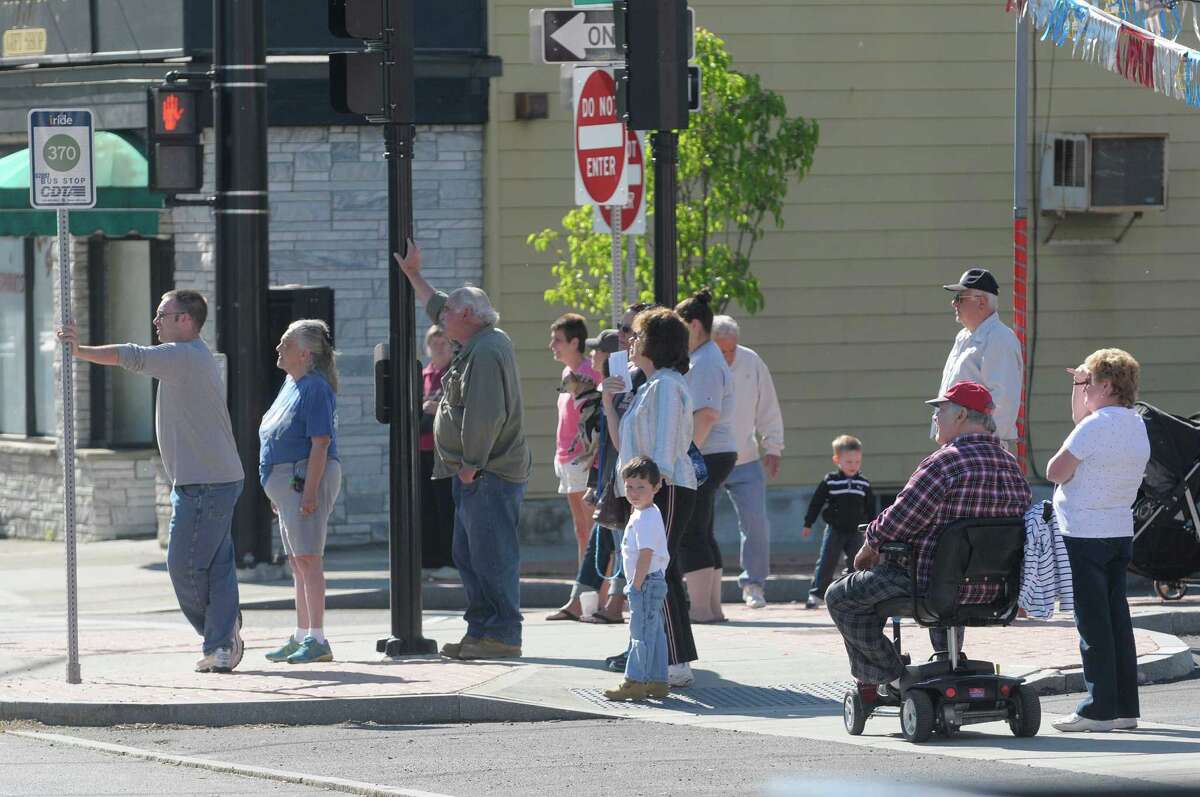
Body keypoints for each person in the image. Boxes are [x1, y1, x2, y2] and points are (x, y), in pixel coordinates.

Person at [56, 290, 245, 673]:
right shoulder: (186, 356)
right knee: (216, 564)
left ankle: (220, 638)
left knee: (184, 566)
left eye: (163, 315)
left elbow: (130, 354)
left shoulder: (184, 355)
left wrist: (79, 351)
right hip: (210, 479)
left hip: (206, 483)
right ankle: (224, 635)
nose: (156, 322)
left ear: (186, 321)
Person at [825, 381, 1031, 697]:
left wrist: (870, 544)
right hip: (995, 589)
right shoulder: (1011, 466)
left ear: (961, 415)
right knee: (950, 565)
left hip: (932, 585)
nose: (935, 419)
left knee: (841, 596)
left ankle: (891, 677)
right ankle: (948, 660)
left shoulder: (945, 462)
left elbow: (901, 518)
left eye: (940, 411)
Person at [394, 241, 532, 660]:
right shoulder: (476, 339)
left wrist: (471, 464)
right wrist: (415, 275)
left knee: (490, 556)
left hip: (487, 473)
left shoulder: (487, 350)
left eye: (450, 313)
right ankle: (482, 630)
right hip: (475, 473)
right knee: (469, 554)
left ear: (469, 316)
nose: (441, 320)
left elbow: (485, 415)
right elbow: (437, 305)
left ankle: (501, 634)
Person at [1047, 349, 1150, 733]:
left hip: (1085, 533)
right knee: (1117, 622)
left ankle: (1098, 710)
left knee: (1093, 625)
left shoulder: (1095, 427)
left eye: (1088, 382)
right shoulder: (1135, 424)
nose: (1084, 389)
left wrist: (1071, 474)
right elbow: (1082, 421)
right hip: (1119, 530)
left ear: (1106, 385)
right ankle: (1124, 709)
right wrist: (1078, 384)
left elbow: (1055, 471)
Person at [600, 306, 699, 687]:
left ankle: (675, 662)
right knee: (660, 570)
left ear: (655, 343)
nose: (630, 341)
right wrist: (610, 404)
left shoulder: (668, 386)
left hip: (665, 488)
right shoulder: (651, 385)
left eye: (637, 335)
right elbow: (623, 444)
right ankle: (669, 659)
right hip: (652, 489)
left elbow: (663, 446)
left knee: (659, 570)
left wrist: (649, 492)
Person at [259, 320, 343, 664]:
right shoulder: (290, 384)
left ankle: (318, 638)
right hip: (288, 487)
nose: (278, 349)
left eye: (285, 344)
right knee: (297, 562)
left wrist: (308, 493)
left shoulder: (315, 388)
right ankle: (301, 634)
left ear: (305, 353)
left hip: (304, 479)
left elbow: (320, 443)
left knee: (309, 559)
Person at [710, 315, 784, 610]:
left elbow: (767, 405)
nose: (728, 356)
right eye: (722, 350)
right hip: (709, 457)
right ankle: (702, 585)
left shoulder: (751, 361)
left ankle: (754, 583)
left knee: (756, 524)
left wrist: (773, 446)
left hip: (746, 457)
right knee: (699, 524)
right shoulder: (700, 362)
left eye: (731, 349)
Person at [675, 290, 738, 624]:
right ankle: (711, 608)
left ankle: (701, 609)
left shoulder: (706, 361)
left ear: (695, 325)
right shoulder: (706, 357)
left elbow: (708, 413)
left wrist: (686, 457)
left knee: (692, 531)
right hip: (714, 451)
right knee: (702, 527)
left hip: (708, 452)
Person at [604, 456, 671, 701]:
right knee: (654, 632)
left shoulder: (644, 517)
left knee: (639, 633)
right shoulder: (647, 512)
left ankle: (634, 680)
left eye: (641, 487)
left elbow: (646, 553)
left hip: (646, 581)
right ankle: (657, 680)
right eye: (629, 486)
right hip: (653, 581)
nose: (633, 492)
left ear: (656, 487)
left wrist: (636, 584)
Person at [936, 267, 1024, 451]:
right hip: (960, 444)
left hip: (981, 448)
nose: (954, 303)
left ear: (981, 302)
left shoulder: (1000, 338)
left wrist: (984, 445)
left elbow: (1003, 401)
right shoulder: (964, 336)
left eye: (960, 298)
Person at [549, 313, 603, 567]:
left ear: (574, 342)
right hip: (565, 457)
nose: (552, 346)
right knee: (581, 529)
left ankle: (594, 588)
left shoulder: (590, 372)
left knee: (593, 528)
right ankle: (583, 586)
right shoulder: (566, 372)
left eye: (558, 340)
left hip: (583, 458)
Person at [802, 435, 876, 610]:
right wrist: (808, 523)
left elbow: (871, 508)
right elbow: (816, 502)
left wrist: (872, 529)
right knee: (827, 560)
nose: (853, 466)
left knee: (857, 562)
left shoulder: (863, 483)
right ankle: (816, 594)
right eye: (849, 462)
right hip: (835, 529)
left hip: (856, 531)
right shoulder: (831, 481)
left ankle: (854, 593)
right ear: (837, 460)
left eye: (857, 462)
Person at [420, 324, 456, 579]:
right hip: (423, 448)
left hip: (446, 450)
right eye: (434, 342)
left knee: (447, 506)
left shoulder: (454, 373)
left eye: (443, 342)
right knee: (426, 506)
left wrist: (438, 407)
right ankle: (429, 560)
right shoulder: (423, 375)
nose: (439, 347)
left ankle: (450, 561)